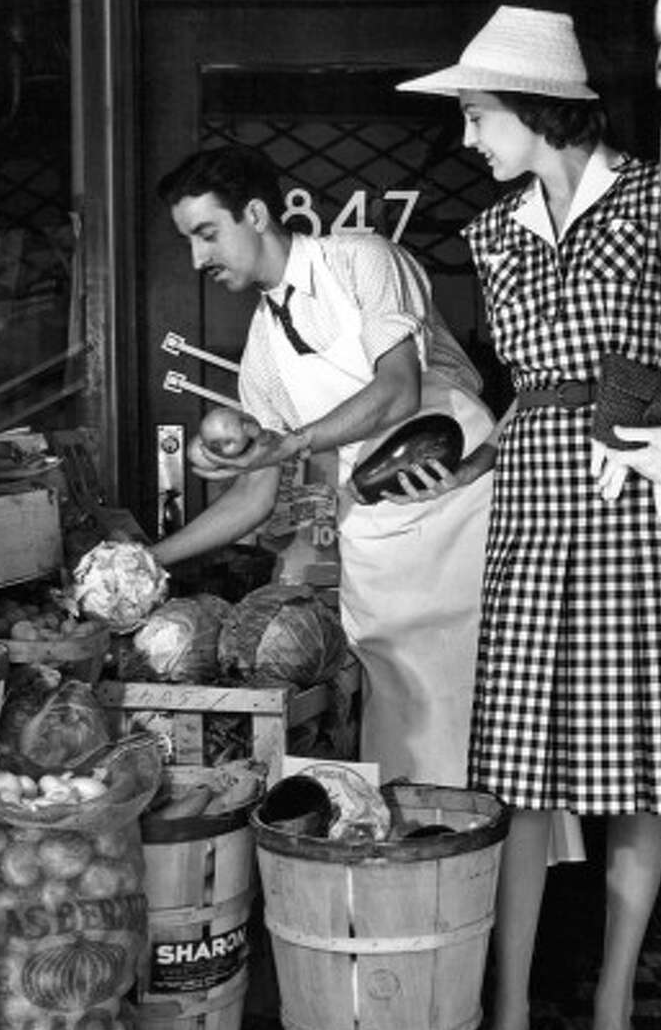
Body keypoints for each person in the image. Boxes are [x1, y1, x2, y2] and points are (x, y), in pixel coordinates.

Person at [397, 5, 661, 1030]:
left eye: (477, 113)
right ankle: (506, 1021)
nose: (469, 138)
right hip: (530, 505)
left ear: (536, 109)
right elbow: (518, 397)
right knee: (518, 779)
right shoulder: (496, 232)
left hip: (635, 502)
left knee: (636, 768)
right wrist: (463, 474)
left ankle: (613, 1009)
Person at [149, 142, 496, 786]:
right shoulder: (261, 352)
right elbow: (255, 497)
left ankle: (497, 874)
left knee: (486, 706)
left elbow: (398, 391)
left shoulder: (362, 260)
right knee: (405, 719)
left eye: (206, 234)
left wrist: (291, 443)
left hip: (459, 496)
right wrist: (152, 560)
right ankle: (423, 872)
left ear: (255, 213)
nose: (198, 259)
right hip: (378, 534)